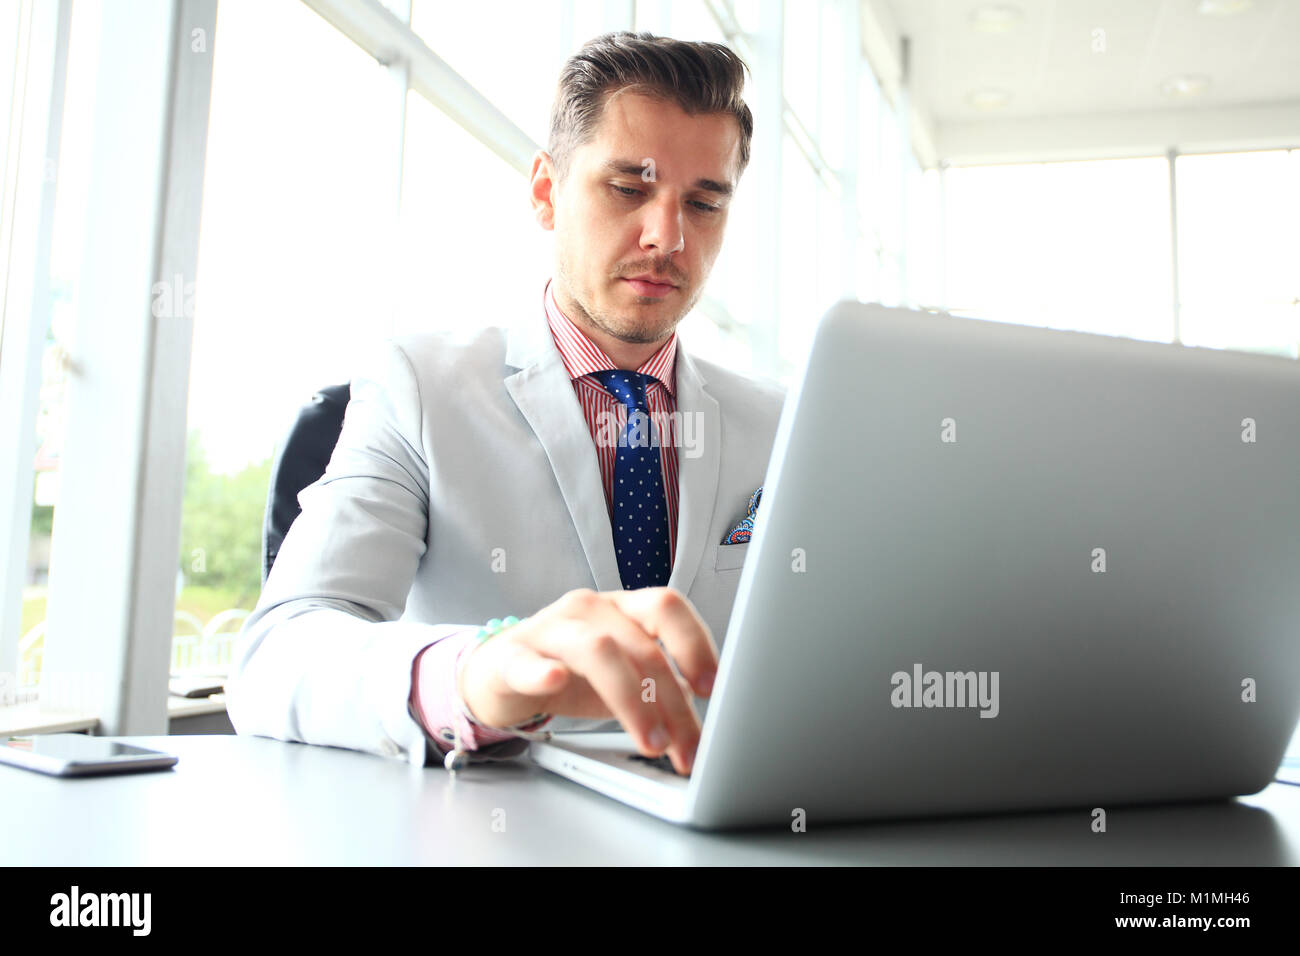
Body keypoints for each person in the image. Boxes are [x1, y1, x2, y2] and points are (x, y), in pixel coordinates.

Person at [226, 31, 786, 777]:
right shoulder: (418, 387)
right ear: (547, 192)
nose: (667, 236)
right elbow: (276, 656)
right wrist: (475, 670)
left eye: (704, 201)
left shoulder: (783, 426)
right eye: (628, 188)